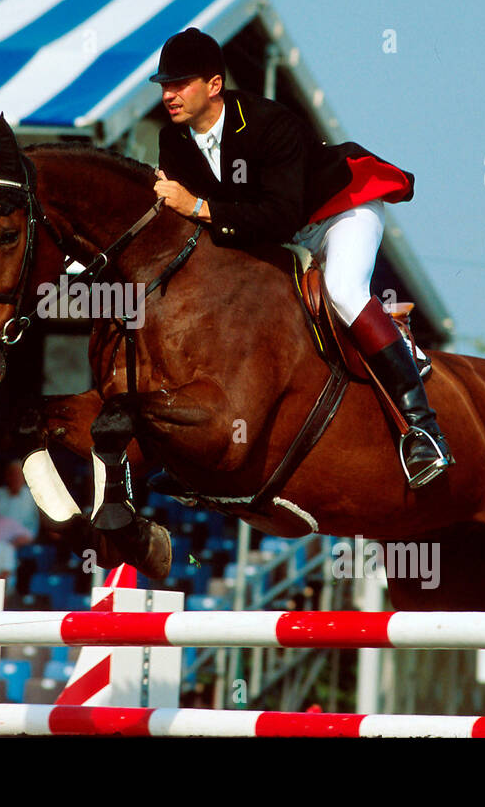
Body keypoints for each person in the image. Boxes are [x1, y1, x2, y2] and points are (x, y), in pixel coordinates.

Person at [150, 27, 452, 487]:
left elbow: (276, 214)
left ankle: (423, 430)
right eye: (164, 85)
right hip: (281, 232)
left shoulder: (270, 123)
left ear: (214, 85)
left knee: (343, 291)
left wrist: (196, 206)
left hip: (337, 213)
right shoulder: (173, 141)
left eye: (179, 84)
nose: (169, 95)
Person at [0, 460, 39, 534]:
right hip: (0, 539)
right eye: (13, 474)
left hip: (26, 539)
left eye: (19, 475)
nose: (16, 478)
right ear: (7, 477)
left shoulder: (33, 495)